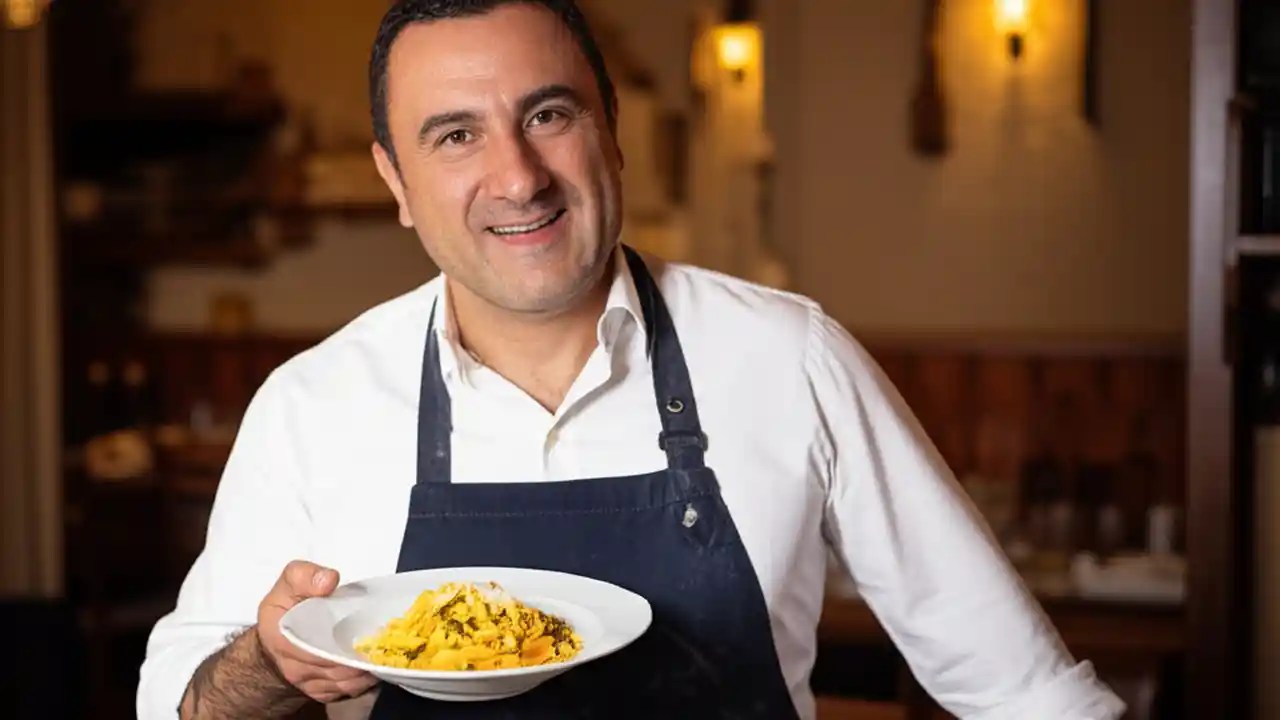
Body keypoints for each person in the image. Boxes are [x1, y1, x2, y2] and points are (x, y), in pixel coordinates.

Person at [137, 1, 1126, 718]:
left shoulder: (787, 360)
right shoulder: (317, 405)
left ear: (613, 138)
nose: (516, 177)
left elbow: (1024, 696)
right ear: (395, 181)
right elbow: (175, 701)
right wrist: (269, 663)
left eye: (549, 114)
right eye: (453, 135)